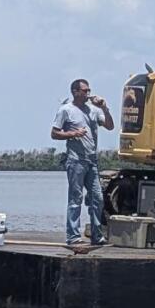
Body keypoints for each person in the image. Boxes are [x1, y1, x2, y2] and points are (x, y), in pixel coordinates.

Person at [52, 77, 114, 248]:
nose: (88, 94)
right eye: (85, 91)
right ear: (75, 92)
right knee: (75, 198)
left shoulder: (93, 111)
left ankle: (97, 235)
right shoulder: (66, 110)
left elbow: (110, 126)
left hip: (91, 161)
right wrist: (73, 134)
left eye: (89, 90)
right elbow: (54, 133)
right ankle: (73, 236)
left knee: (97, 198)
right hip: (75, 160)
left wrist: (104, 108)